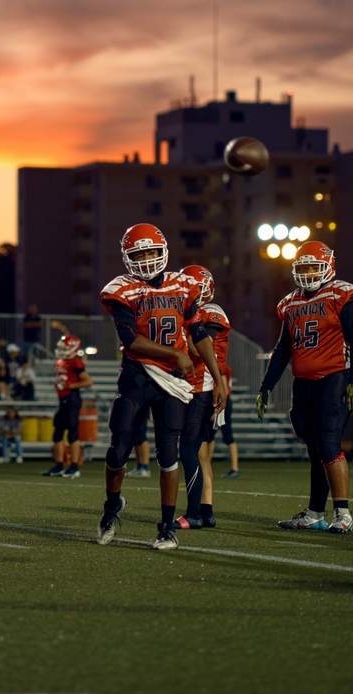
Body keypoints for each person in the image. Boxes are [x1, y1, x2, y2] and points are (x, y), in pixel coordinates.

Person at [96, 223, 226, 550]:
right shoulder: (121, 289)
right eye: (139, 254)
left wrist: (218, 377)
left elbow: (199, 334)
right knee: (119, 447)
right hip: (138, 374)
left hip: (173, 382)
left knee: (169, 455)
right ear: (127, 257)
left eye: (152, 251)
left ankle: (166, 527)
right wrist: (173, 353)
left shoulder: (183, 286)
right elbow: (130, 339)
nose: (147, 259)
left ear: (163, 250)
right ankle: (112, 506)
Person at [257, 240, 353, 533]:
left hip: (334, 377)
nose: (307, 273)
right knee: (315, 450)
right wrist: (266, 386)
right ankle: (315, 513)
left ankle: (342, 514)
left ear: (328, 266)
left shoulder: (343, 293)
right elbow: (283, 350)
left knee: (329, 445)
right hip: (303, 384)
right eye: (302, 267)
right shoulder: (291, 302)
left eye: (313, 267)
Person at [172, 264, 230, 528]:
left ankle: (193, 513)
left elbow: (197, 349)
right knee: (201, 454)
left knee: (188, 450)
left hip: (203, 388)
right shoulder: (188, 313)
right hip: (196, 388)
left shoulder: (212, 312)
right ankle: (206, 512)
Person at [41, 334, 93, 478]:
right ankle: (58, 465)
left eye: (65, 348)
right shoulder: (60, 362)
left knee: (72, 433)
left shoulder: (76, 362)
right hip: (63, 400)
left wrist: (70, 385)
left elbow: (88, 382)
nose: (61, 350)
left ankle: (74, 467)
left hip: (72, 399)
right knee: (57, 433)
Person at [217, 362, 241, 478]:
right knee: (208, 436)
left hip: (222, 402)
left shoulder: (221, 366)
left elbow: (224, 390)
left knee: (228, 435)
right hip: (221, 401)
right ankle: (205, 465)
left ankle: (235, 468)